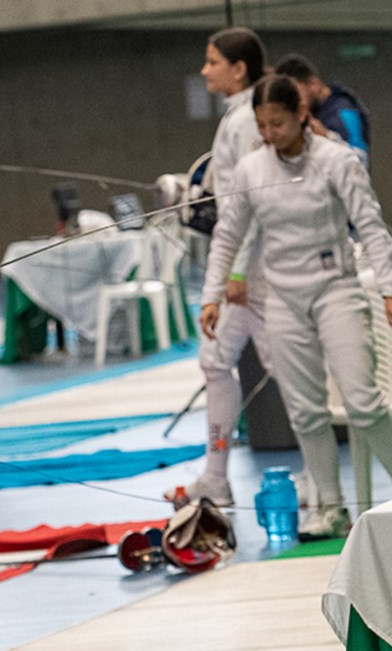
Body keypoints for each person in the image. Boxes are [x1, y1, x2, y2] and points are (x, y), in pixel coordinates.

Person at [201, 74, 392, 540]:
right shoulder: (251, 170)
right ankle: (330, 508)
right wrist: (211, 294)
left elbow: (371, 225)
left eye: (279, 124)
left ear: (301, 115)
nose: (270, 134)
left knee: (363, 403)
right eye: (262, 125)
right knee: (305, 412)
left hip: (336, 290)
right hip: (283, 298)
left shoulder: (337, 160)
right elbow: (229, 234)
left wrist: (389, 288)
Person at [168, 27, 272, 508]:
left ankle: (322, 485)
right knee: (215, 361)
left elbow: (252, 203)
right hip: (244, 270)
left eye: (213, 62)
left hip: (258, 273)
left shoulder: (248, 120)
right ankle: (214, 478)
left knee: (290, 374)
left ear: (239, 68)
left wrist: (236, 273)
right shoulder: (237, 116)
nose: (205, 70)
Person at [274, 53, 371, 170]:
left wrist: (328, 137)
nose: (291, 102)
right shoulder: (314, 111)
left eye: (294, 94)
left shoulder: (343, 113)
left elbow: (360, 161)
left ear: (313, 84)